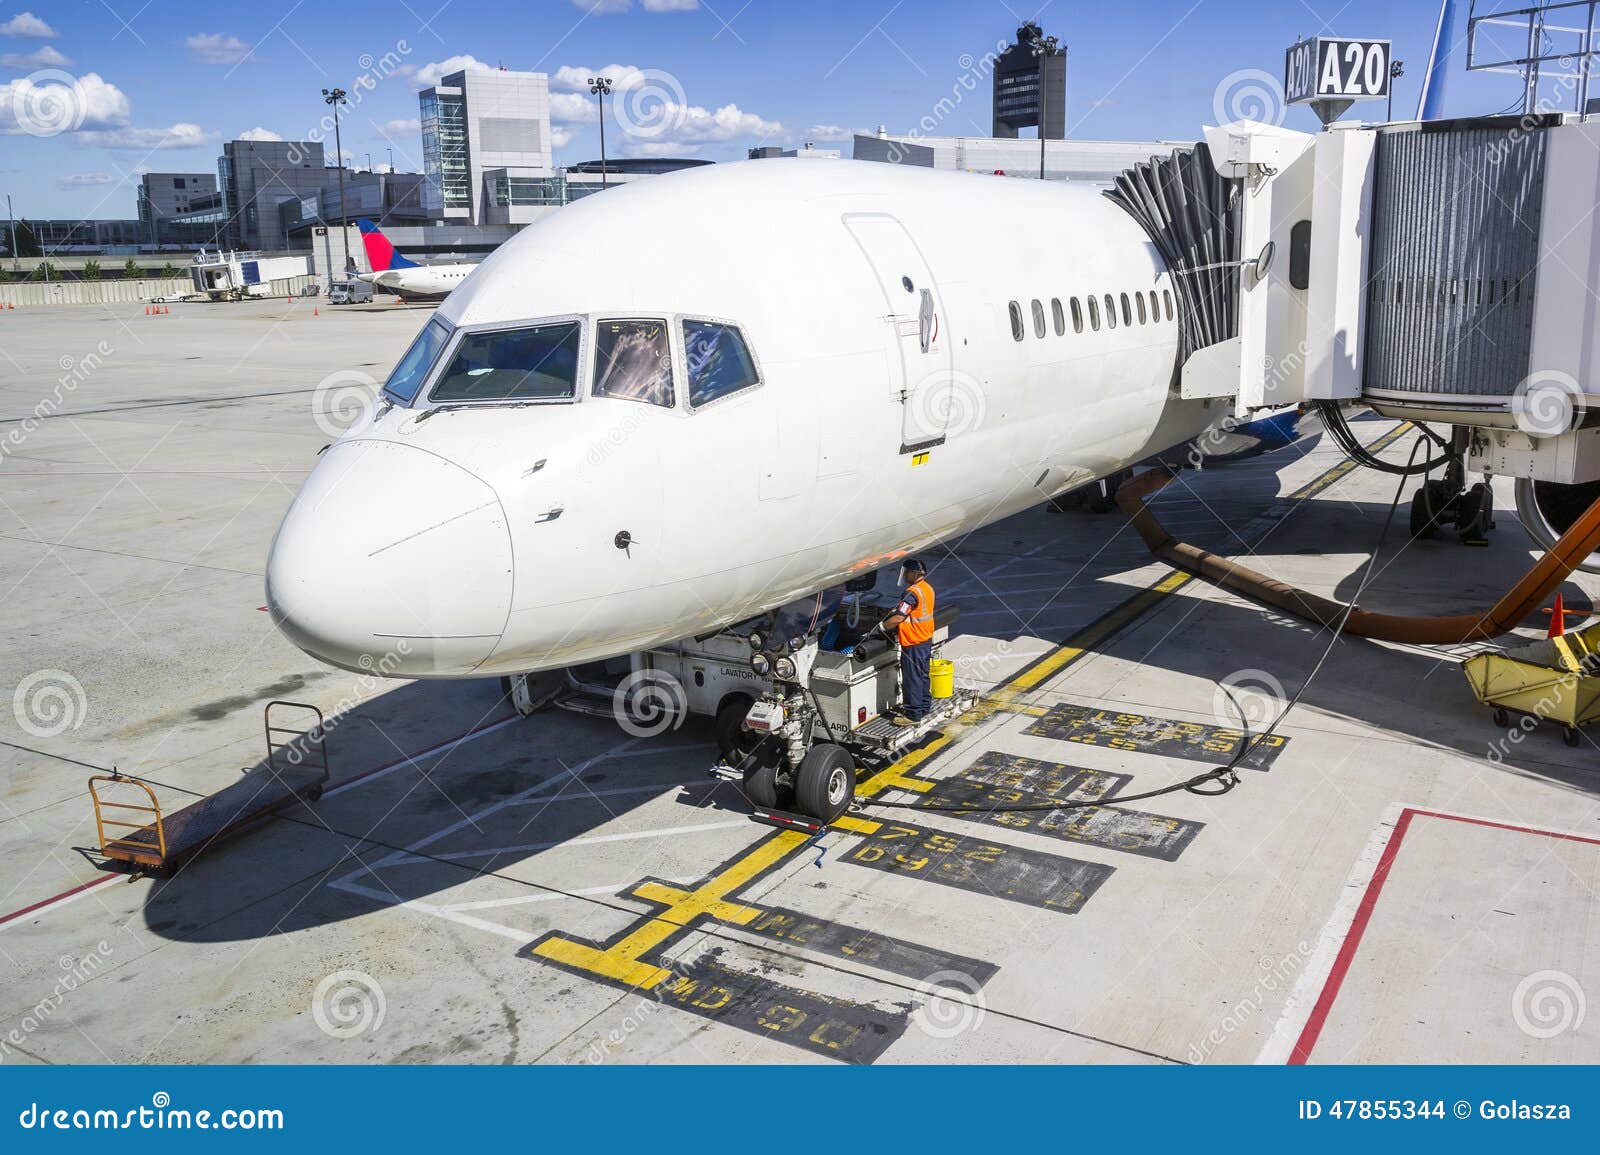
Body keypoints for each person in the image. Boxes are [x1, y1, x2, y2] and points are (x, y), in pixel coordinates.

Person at [879, 559, 935, 725]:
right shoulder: (927, 588)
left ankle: (912, 714)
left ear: (915, 573)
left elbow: (899, 617)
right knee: (923, 676)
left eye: (907, 572)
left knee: (912, 678)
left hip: (913, 642)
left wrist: (883, 627)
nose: (904, 575)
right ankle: (924, 706)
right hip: (924, 639)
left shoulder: (911, 593)